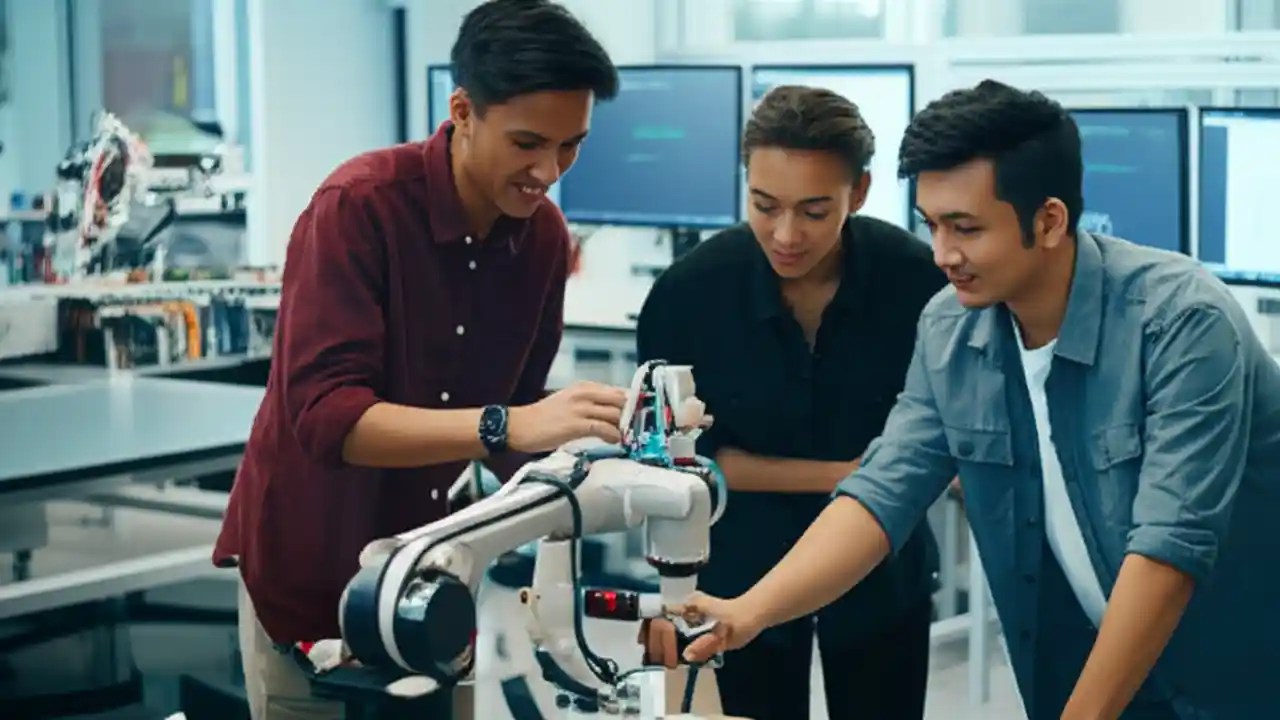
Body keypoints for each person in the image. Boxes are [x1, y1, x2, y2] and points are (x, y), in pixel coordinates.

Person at [647, 79, 1280, 719]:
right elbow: (883, 490)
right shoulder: (951, 328)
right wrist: (749, 613)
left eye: (966, 228)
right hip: (1087, 673)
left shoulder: (1182, 323)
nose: (943, 254)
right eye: (932, 224)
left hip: (1233, 681)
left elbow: (1170, 546)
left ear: (1049, 221)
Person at [213, 2, 624, 717]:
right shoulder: (358, 207)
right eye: (527, 143)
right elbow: (329, 418)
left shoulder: (543, 241)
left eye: (571, 146)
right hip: (311, 570)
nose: (549, 170)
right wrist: (507, 426)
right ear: (462, 111)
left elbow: (521, 419)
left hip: (432, 579)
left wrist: (597, 468)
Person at [636, 85, 945, 720]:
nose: (785, 235)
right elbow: (692, 463)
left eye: (814, 211)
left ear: (859, 193)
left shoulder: (918, 282)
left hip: (881, 566)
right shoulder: (689, 294)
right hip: (740, 569)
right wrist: (859, 475)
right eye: (764, 205)